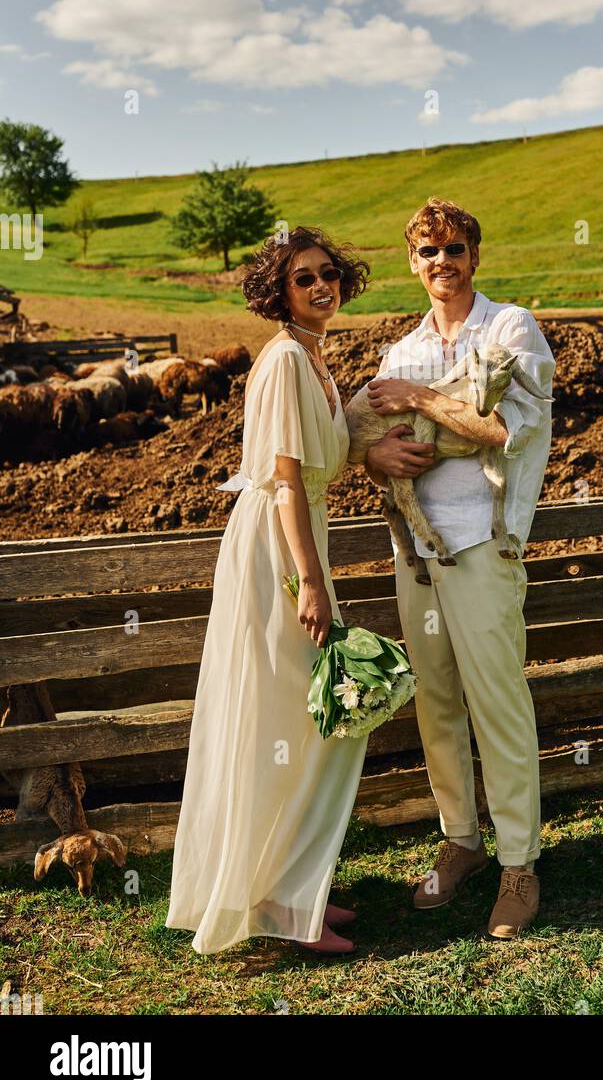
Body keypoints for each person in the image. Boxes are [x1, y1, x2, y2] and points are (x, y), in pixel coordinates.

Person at [165, 227, 370, 955]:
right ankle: (275, 903)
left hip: (296, 534)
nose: (320, 286)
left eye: (327, 274)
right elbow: (286, 481)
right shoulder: (285, 359)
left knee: (307, 717)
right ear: (278, 294)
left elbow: (325, 461)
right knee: (292, 718)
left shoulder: (315, 356)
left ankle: (287, 882)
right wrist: (308, 583)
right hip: (277, 549)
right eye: (302, 279)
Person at [362, 197, 555, 938]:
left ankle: (519, 865)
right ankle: (462, 841)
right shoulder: (401, 348)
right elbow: (376, 438)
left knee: (498, 702)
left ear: (474, 255)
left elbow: (504, 429)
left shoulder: (509, 328)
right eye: (427, 252)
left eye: (454, 249)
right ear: (412, 263)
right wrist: (375, 454)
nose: (441, 262)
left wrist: (418, 400)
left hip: (482, 542)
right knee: (436, 703)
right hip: (417, 550)